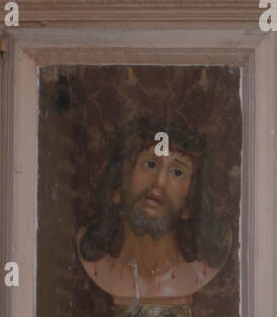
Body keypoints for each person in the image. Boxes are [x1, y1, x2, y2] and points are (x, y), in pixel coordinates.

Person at [77, 116, 230, 304]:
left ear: (190, 205)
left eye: (177, 172)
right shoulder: (95, 263)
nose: (159, 182)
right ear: (117, 188)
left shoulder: (202, 269)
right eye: (150, 164)